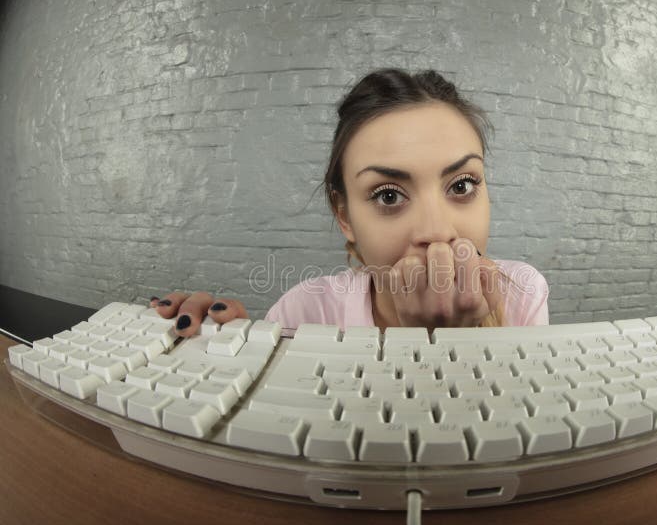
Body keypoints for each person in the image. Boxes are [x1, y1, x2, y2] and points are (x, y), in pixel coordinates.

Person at [150, 68, 549, 336]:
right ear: (345, 216)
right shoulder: (305, 313)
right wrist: (223, 362)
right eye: (389, 195)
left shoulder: (523, 292)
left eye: (461, 186)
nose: (437, 231)